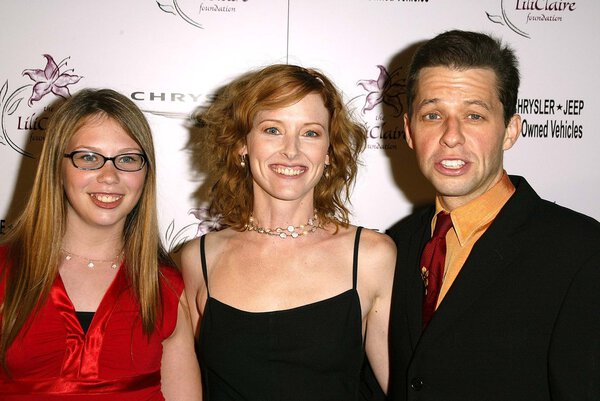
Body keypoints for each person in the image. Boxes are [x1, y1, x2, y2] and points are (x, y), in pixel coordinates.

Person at [387, 30, 600, 401]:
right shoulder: (395, 245)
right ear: (408, 130)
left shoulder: (580, 251)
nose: (451, 136)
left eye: (474, 115)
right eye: (433, 115)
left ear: (510, 131)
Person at [180, 64, 396, 400]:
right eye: (272, 130)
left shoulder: (371, 257)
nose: (291, 150)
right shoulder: (198, 259)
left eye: (310, 133)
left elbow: (400, 389)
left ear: (329, 152)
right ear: (241, 144)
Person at [0, 88, 201, 400]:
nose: (110, 176)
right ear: (56, 167)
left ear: (146, 173)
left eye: (128, 159)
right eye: (89, 157)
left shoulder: (167, 287)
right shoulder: (4, 270)